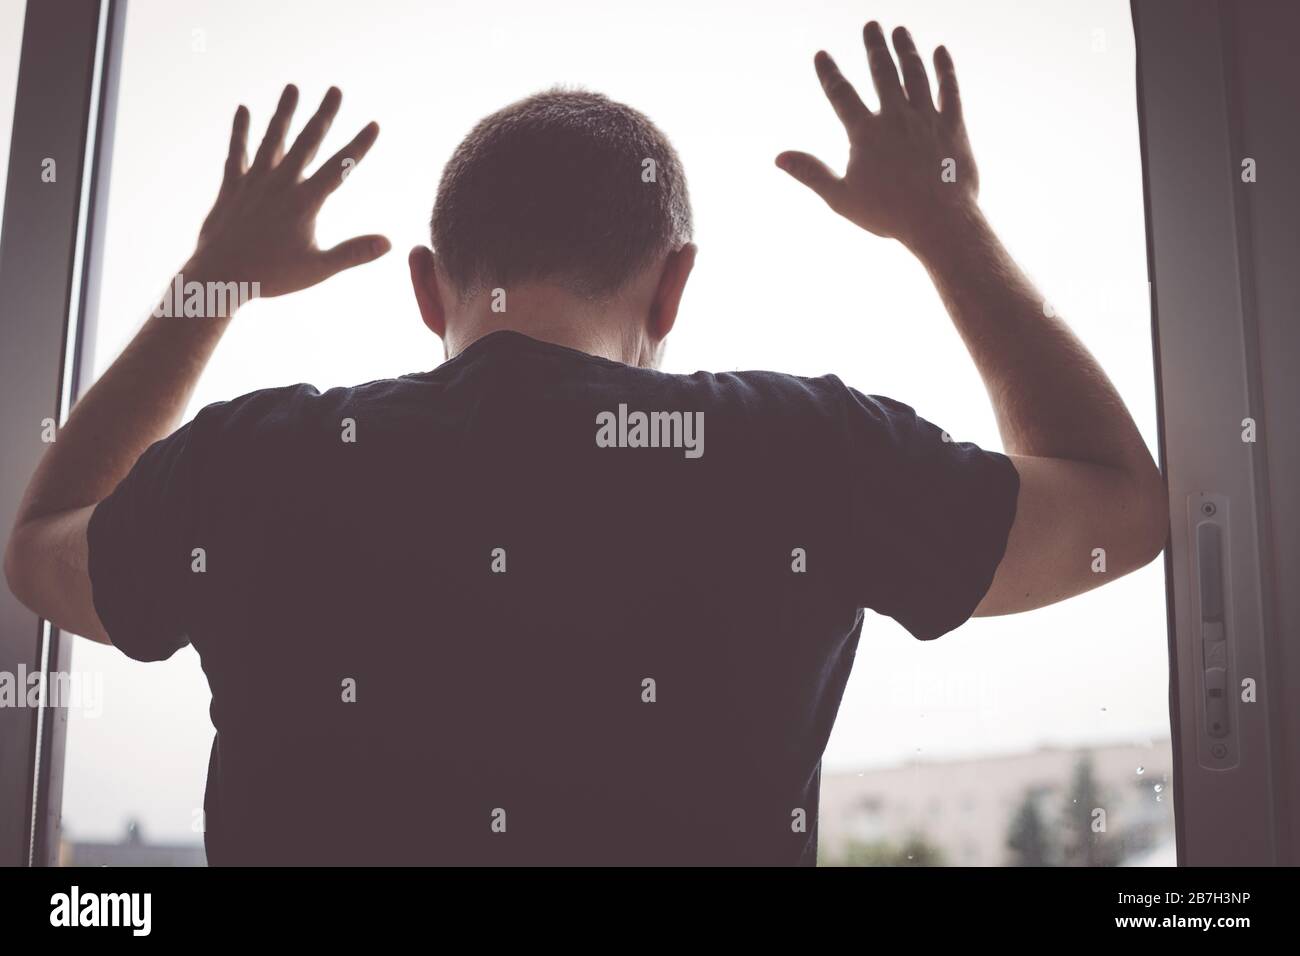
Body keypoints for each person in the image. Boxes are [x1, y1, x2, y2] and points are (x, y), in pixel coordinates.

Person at [4, 21, 1166, 865]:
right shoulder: (805, 454)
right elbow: (1118, 508)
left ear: (426, 286)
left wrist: (213, 282)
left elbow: (39, 547)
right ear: (673, 288)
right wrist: (946, 222)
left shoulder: (255, 462)